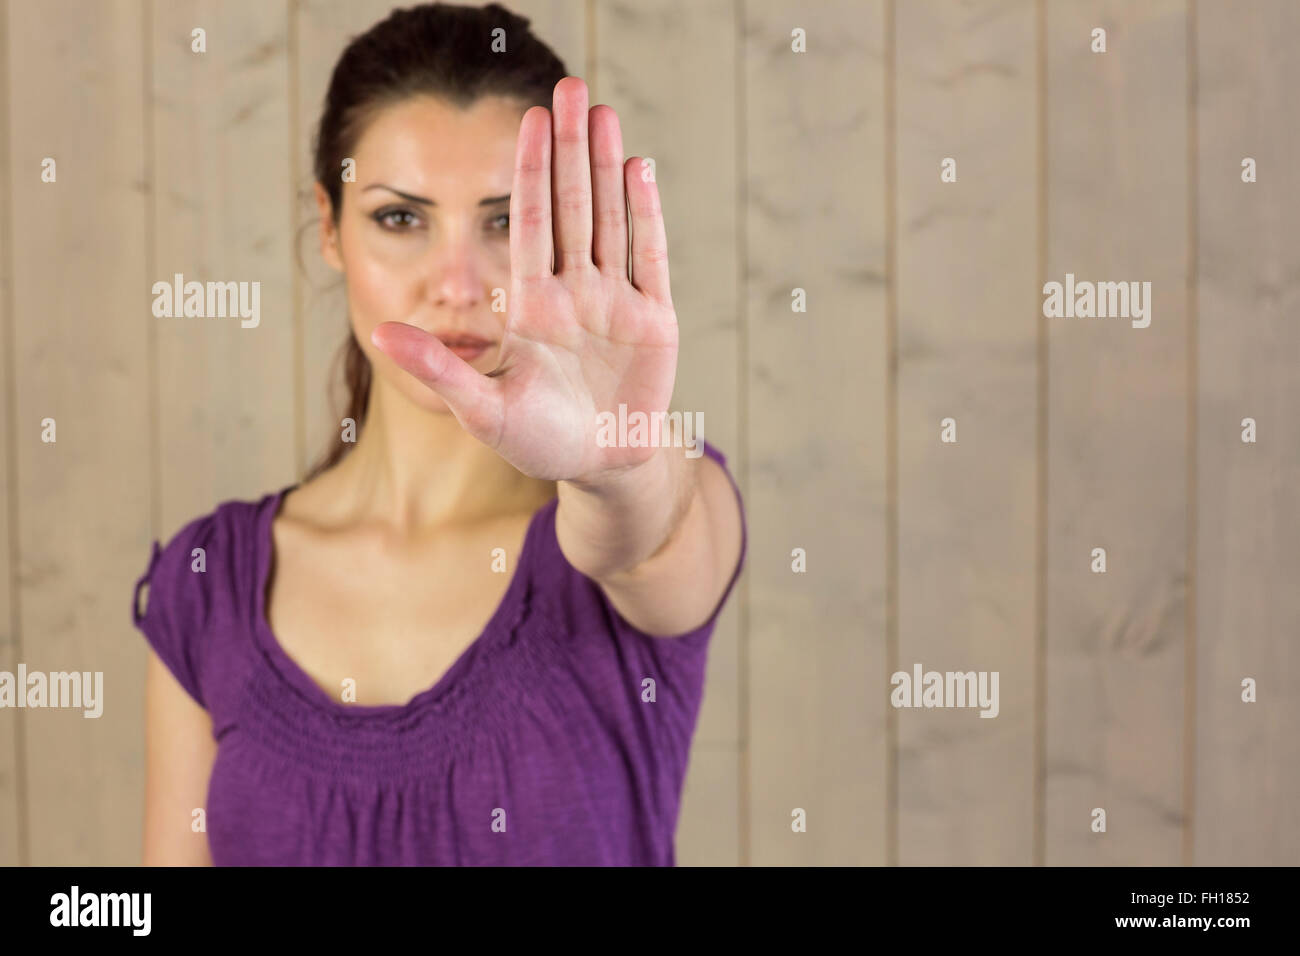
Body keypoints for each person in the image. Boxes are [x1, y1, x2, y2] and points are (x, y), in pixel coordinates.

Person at [133, 1, 745, 865]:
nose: (456, 283)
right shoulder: (209, 586)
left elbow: (650, 542)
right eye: (400, 217)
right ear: (329, 226)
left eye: (502, 221)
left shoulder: (633, 513)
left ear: (563, 238)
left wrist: (622, 460)